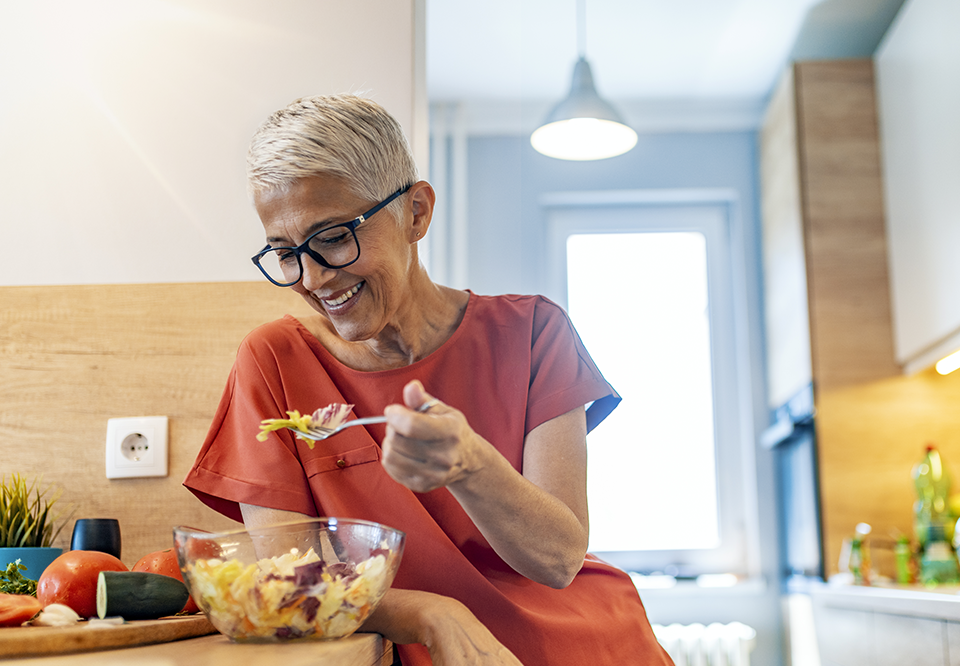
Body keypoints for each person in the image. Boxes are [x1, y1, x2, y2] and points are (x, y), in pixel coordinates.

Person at [184, 94, 673, 666]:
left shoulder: (534, 331)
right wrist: (429, 612)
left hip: (590, 644)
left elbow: (559, 559)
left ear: (415, 212)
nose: (313, 277)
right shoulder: (275, 362)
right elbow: (294, 585)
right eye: (286, 252)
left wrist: (471, 464)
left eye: (335, 237)